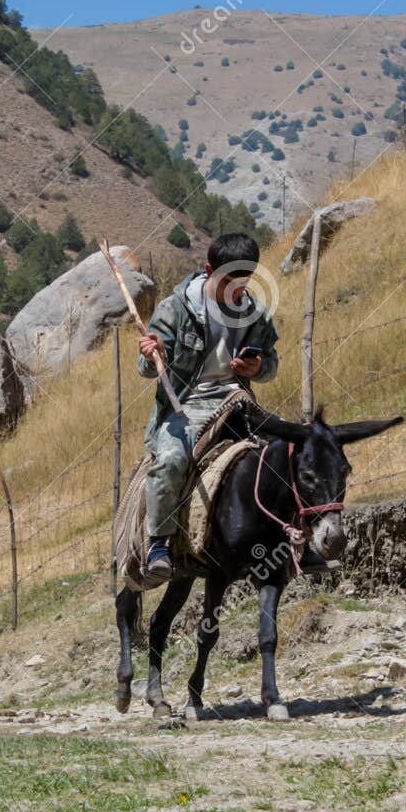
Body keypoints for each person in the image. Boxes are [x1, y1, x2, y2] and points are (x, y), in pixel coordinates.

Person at [137, 233, 279, 579]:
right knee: (171, 460)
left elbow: (271, 364)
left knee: (284, 453)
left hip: (237, 401)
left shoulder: (256, 314)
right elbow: (146, 369)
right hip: (186, 404)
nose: (235, 292)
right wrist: (153, 353)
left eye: (243, 283)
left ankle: (288, 537)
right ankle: (159, 543)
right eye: (228, 282)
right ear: (208, 270)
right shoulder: (176, 309)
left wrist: (258, 368)